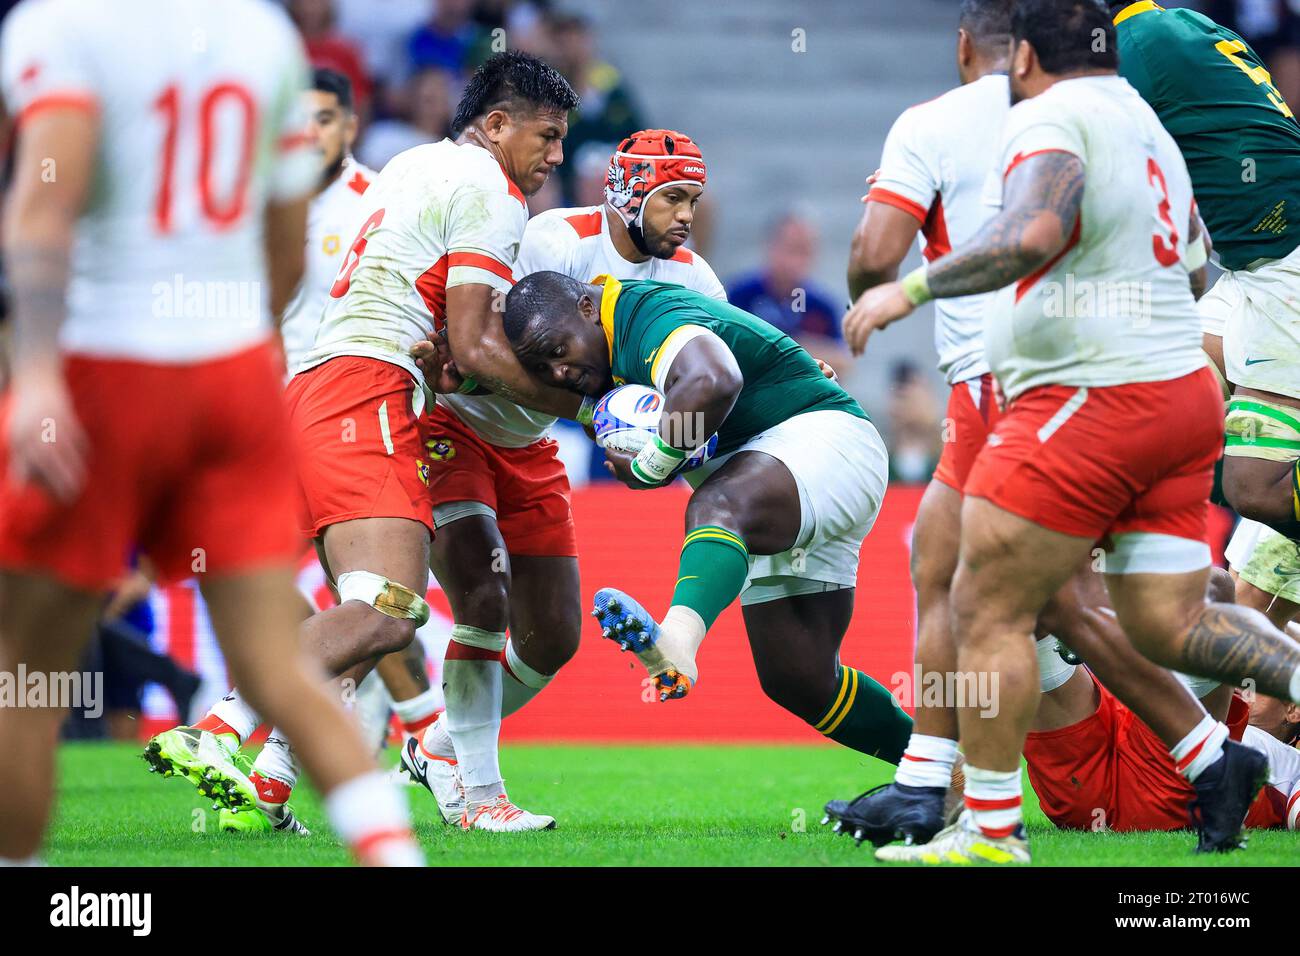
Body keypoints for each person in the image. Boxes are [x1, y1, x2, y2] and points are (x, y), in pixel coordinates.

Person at [844, 0, 1300, 865]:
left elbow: (1036, 228)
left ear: (1015, 61)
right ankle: (1215, 757)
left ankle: (984, 830)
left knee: (983, 594)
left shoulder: (1057, 115)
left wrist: (909, 290)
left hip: (1090, 396)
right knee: (1167, 618)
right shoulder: (1146, 126)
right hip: (1176, 394)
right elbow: (1192, 258)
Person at [0, 0, 421, 866]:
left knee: (22, 678)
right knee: (276, 665)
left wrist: (36, 374)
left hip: (104, 367)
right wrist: (248, 344)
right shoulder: (260, 35)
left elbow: (45, 207)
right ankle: (393, 855)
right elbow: (287, 246)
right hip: (235, 379)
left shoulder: (59, 23)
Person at [399, 130, 726, 828]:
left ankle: (433, 746)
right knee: (484, 600)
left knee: (552, 636)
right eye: (672, 196)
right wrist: (595, 405)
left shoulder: (695, 277)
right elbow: (478, 341)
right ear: (625, 192)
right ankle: (481, 799)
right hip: (456, 425)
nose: (686, 214)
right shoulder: (553, 240)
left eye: (693, 199)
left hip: (534, 443)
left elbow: (725, 365)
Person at [165, 69, 442, 835]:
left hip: (338, 412)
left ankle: (279, 766)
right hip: (277, 421)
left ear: (350, 127)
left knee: (372, 600)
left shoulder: (378, 202)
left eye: (324, 120)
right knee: (365, 600)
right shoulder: (259, 209)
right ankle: (405, 740)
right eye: (298, 122)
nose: (309, 135)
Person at [496, 273, 916, 765]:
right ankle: (948, 781)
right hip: (782, 476)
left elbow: (713, 380)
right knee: (799, 677)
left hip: (825, 442)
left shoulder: (644, 318)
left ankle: (675, 644)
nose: (559, 371)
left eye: (558, 349)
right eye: (543, 366)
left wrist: (653, 465)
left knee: (716, 506)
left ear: (587, 308)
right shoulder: (602, 353)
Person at [1111, 0, 1300, 591]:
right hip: (1252, 269)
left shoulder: (1130, 48)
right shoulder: (1181, 25)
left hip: (1286, 263)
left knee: (1255, 485)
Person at [727, 212, 850, 373]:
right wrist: (803, 347)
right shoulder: (740, 295)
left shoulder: (822, 305)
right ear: (771, 247)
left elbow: (842, 362)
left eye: (805, 252)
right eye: (791, 249)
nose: (797, 261)